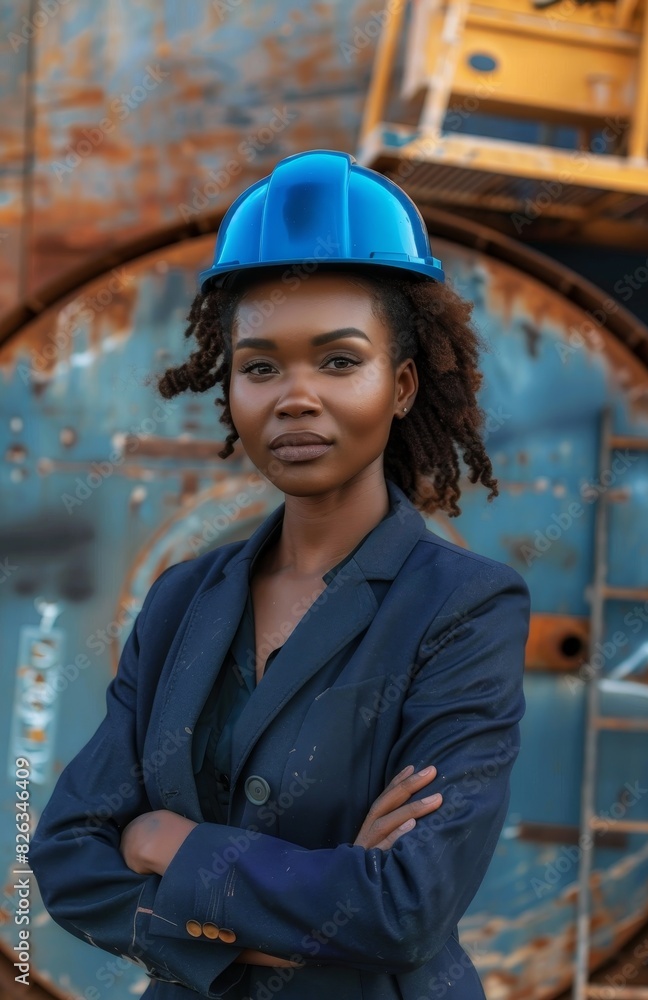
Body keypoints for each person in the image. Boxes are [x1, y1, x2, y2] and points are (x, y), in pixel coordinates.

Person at [32, 149, 531, 1000]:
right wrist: (250, 937)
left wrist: (168, 844)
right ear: (230, 388)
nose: (295, 397)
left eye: (338, 361)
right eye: (260, 367)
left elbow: (406, 905)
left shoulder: (463, 605)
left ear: (401, 386)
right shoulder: (183, 598)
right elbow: (68, 854)